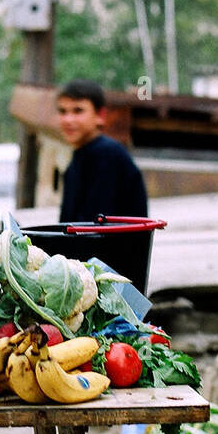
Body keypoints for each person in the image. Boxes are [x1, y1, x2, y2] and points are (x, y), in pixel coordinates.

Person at [55, 78, 150, 293]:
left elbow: (90, 229)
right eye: (63, 111)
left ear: (100, 116)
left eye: (78, 111)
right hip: (91, 276)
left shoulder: (106, 156)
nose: (68, 119)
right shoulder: (82, 156)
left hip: (111, 283)